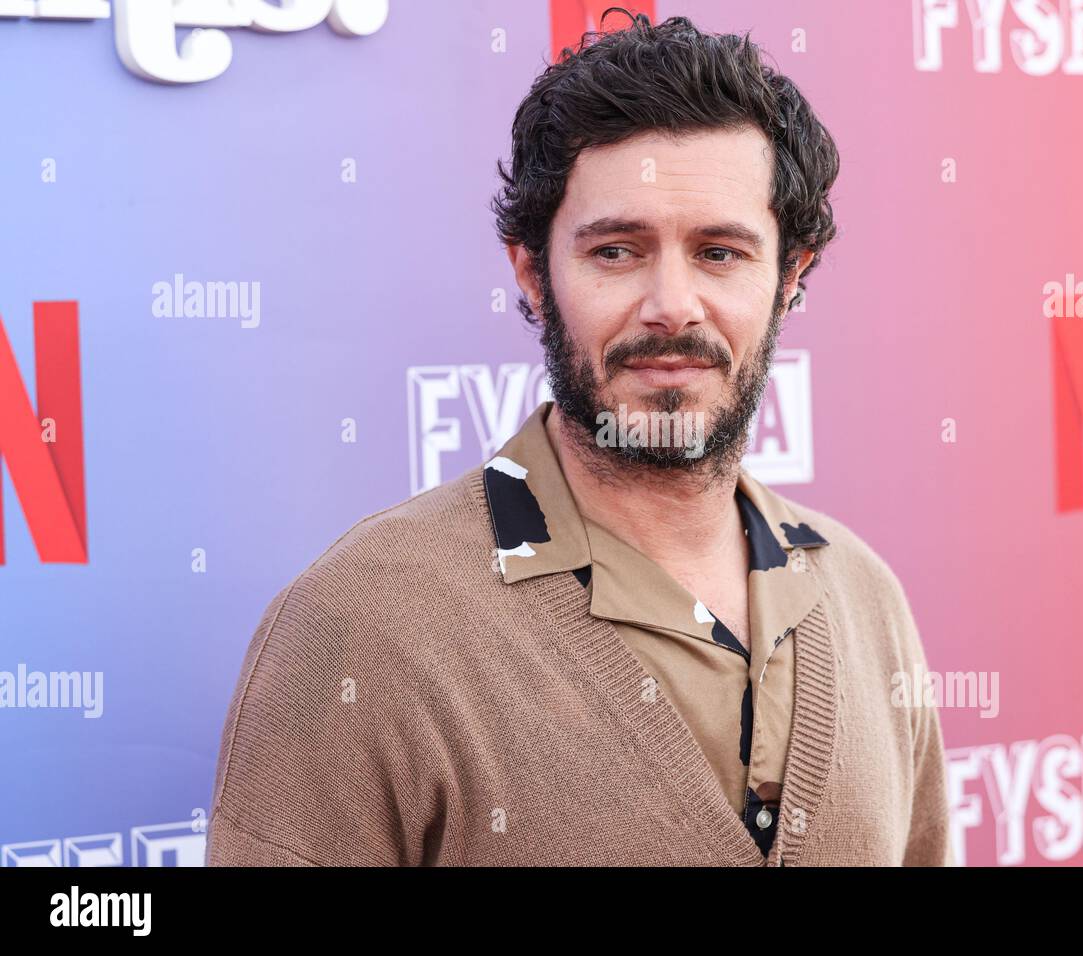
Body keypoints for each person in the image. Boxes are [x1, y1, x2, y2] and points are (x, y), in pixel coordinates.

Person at [205, 8, 953, 867]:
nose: (672, 304)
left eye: (719, 253)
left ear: (790, 278)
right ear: (530, 271)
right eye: (616, 251)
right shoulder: (363, 625)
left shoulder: (864, 599)